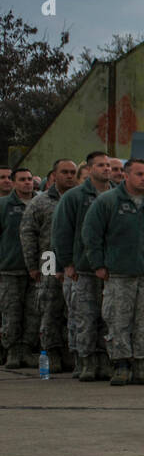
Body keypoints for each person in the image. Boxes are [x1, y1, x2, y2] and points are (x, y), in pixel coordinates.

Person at [80, 159, 144, 385]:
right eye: (140, 174)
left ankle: (141, 366)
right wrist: (99, 265)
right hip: (119, 274)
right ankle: (121, 366)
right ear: (125, 175)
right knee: (118, 320)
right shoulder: (107, 202)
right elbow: (91, 235)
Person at [52, 151, 114, 381]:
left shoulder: (119, 195)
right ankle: (85, 362)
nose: (106, 169)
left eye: (108, 165)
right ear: (89, 169)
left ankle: (105, 360)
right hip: (84, 269)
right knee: (85, 318)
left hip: (112, 270)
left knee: (108, 319)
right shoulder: (75, 196)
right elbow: (61, 232)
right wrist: (66, 263)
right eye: (100, 165)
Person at [20, 158, 77, 372]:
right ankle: (50, 353)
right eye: (65, 172)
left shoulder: (78, 199)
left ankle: (68, 351)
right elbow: (27, 233)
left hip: (72, 262)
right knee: (50, 309)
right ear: (54, 176)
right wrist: (32, 265)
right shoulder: (40, 202)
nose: (69, 176)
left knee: (71, 310)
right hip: (48, 262)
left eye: (72, 172)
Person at [0, 168, 39, 367]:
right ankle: (12, 350)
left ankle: (27, 348)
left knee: (35, 311)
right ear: (14, 183)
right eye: (22, 180)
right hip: (11, 267)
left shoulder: (41, 203)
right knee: (11, 311)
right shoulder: (4, 205)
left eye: (30, 179)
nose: (27, 183)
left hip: (39, 269)